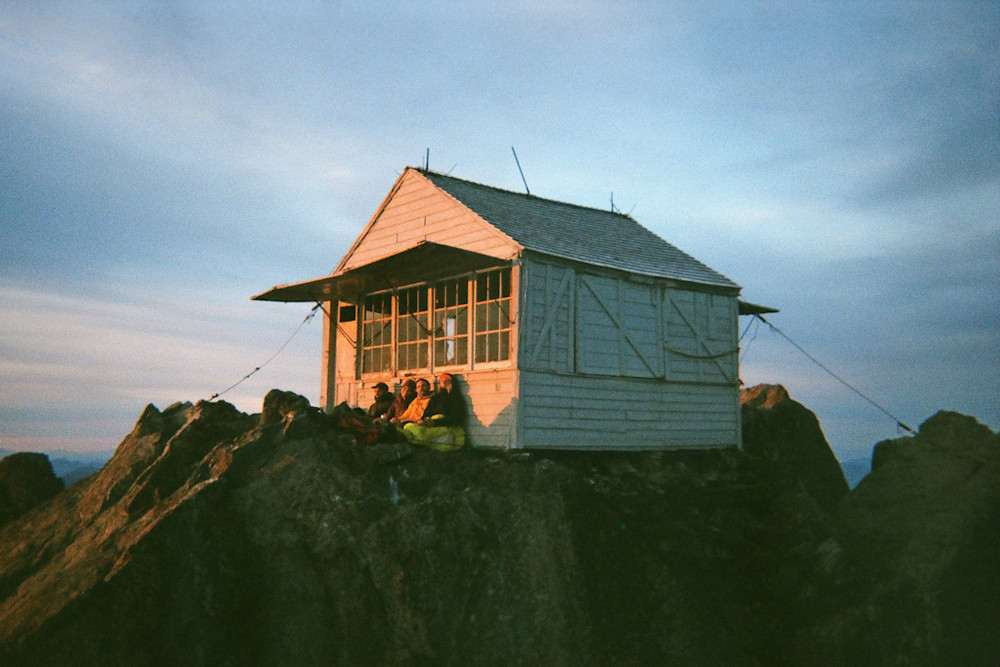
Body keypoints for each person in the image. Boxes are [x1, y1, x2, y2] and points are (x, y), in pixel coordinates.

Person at [401, 373, 466, 451]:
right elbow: (426, 414)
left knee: (420, 433)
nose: (444, 382)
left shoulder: (455, 399)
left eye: (446, 380)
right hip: (432, 428)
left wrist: (435, 422)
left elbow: (456, 419)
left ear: (452, 383)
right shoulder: (436, 398)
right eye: (442, 381)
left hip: (447, 428)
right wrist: (424, 421)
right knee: (410, 427)